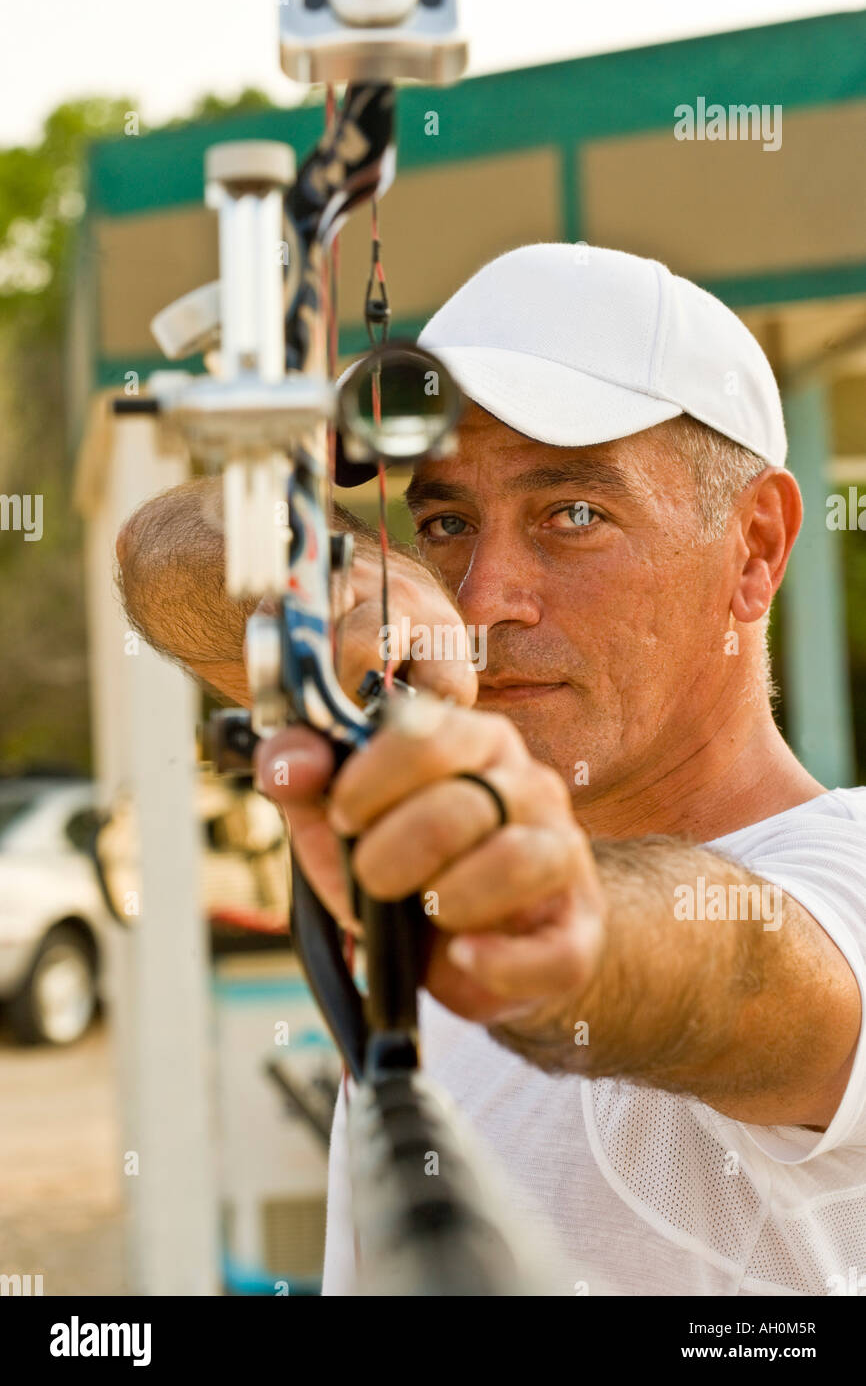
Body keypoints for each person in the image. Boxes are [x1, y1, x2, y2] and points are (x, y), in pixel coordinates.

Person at [116, 243, 866, 1296]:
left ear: (753, 548)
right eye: (446, 524)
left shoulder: (845, 879)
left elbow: (745, 970)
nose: (483, 599)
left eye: (573, 516)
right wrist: (345, 584)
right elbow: (161, 557)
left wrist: (545, 914)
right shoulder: (431, 791)